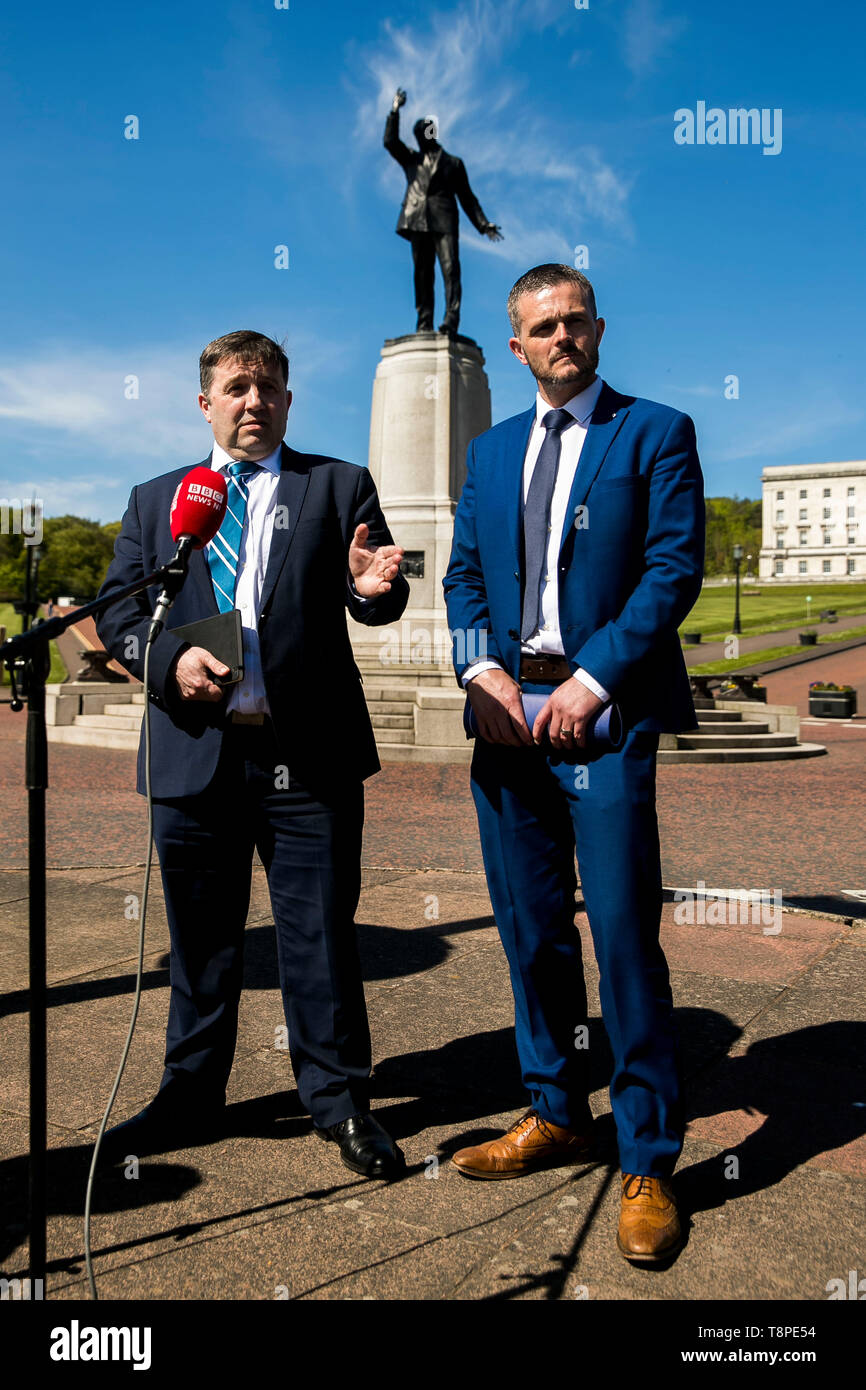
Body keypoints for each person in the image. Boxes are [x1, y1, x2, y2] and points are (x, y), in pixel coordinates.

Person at [95, 330, 410, 1179]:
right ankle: (190, 1096)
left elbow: (374, 586)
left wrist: (373, 587)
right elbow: (119, 616)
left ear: (288, 399)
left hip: (305, 758)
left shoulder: (337, 484)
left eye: (268, 386)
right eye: (236, 386)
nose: (253, 400)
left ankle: (341, 1103)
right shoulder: (157, 499)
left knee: (319, 937)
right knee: (201, 941)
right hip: (196, 755)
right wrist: (169, 662)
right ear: (205, 402)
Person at [442, 266, 705, 1261]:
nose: (561, 337)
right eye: (541, 327)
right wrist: (479, 673)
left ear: (596, 328)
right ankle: (553, 1110)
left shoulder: (655, 432)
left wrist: (594, 680)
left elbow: (671, 567)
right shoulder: (489, 450)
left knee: (624, 937)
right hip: (505, 719)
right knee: (529, 930)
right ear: (514, 346)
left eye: (573, 321)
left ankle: (645, 1154)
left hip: (603, 715)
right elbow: (465, 576)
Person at [385, 87, 502, 336]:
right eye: (417, 134)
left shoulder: (453, 163)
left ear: (432, 134)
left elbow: (467, 197)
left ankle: (451, 321)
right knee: (422, 274)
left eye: (423, 133)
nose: (419, 138)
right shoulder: (411, 159)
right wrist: (395, 109)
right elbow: (390, 142)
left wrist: (483, 224)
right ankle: (424, 322)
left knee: (451, 270)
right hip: (417, 219)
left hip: (445, 220)